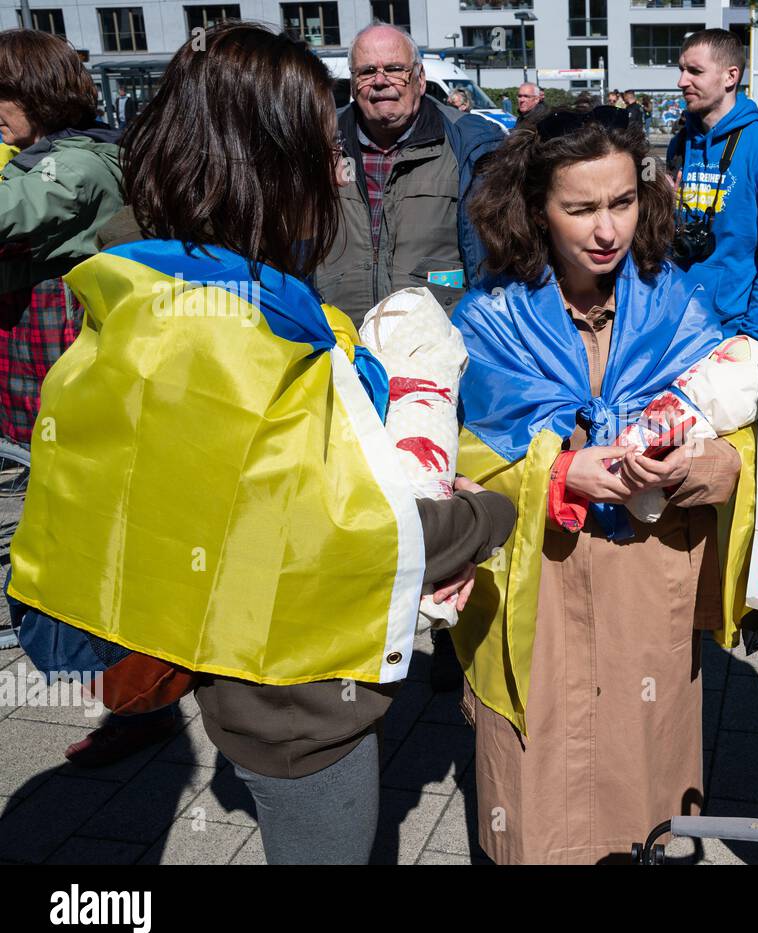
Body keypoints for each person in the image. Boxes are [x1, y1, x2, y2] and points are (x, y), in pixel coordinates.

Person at [6, 21, 516, 864]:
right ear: (271, 167)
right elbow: (340, 536)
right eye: (323, 147)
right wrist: (483, 517)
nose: (337, 168)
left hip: (234, 662)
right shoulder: (236, 336)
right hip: (297, 697)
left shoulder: (148, 291)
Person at [450, 106, 752, 864]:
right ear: (533, 209)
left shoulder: (680, 304)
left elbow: (743, 445)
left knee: (640, 794)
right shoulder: (485, 320)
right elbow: (452, 459)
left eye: (622, 202)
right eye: (579, 208)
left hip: (645, 591)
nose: (606, 229)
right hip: (534, 588)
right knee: (535, 800)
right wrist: (553, 471)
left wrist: (688, 470)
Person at [0, 30, 167, 763]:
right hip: (36, 371)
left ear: (38, 91)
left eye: (3, 94)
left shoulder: (76, 159)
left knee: (101, 547)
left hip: (63, 375)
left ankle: (140, 702)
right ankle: (134, 699)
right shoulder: (47, 155)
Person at [315, 24, 503, 324]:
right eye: (366, 72)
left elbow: (493, 264)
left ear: (420, 79)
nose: (380, 81)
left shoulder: (469, 145)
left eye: (394, 69)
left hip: (437, 350)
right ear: (352, 84)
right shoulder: (319, 142)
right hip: (340, 346)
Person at [669, 28, 758, 339]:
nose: (681, 81)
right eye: (681, 70)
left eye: (695, 71)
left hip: (730, 332)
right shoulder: (679, 144)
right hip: (674, 323)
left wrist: (750, 337)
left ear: (730, 76)